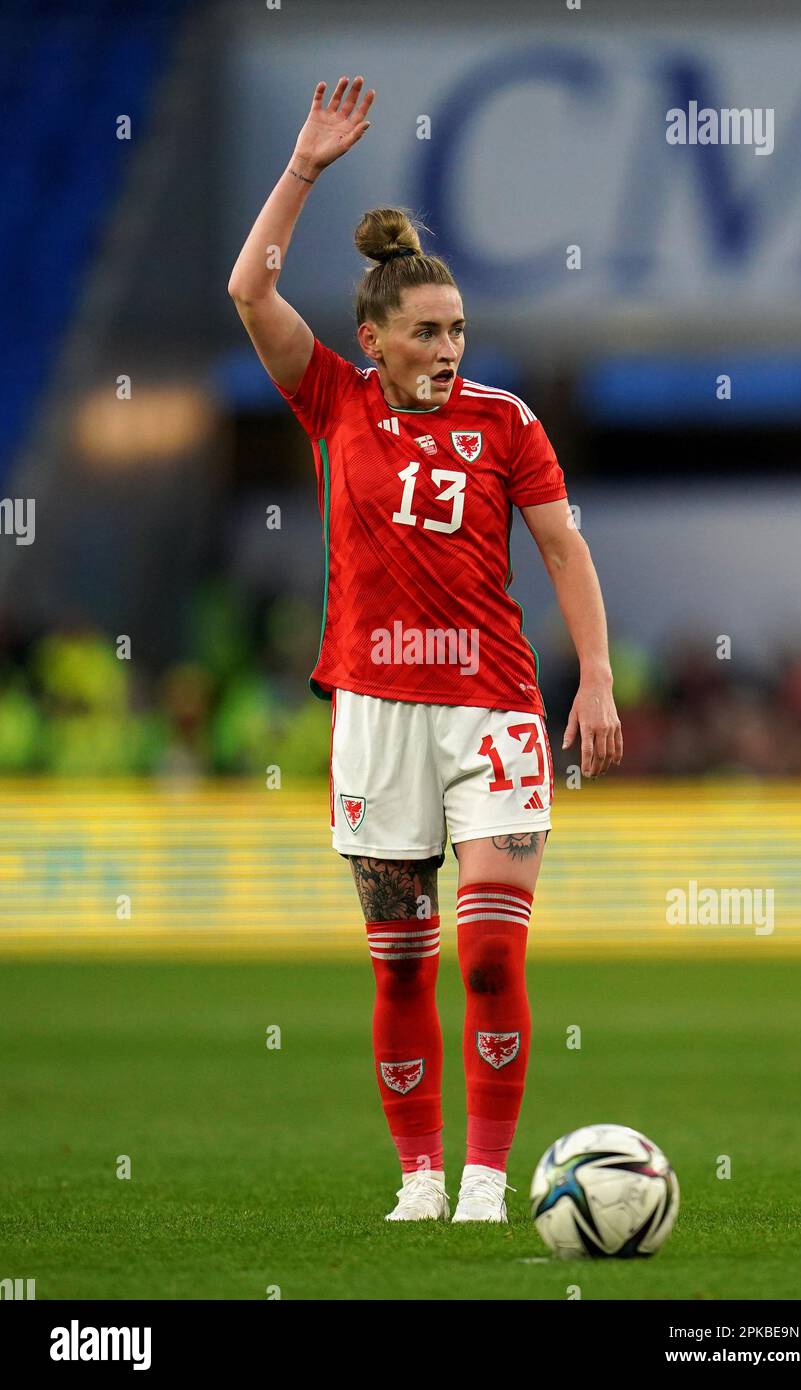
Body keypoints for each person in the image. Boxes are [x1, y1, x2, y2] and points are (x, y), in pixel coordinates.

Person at [228, 76, 622, 1224]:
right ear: (374, 340)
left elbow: (562, 550)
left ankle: (491, 1181)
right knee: (400, 964)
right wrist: (303, 168)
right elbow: (249, 287)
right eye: (427, 330)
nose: (449, 347)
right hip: (373, 711)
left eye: (459, 329)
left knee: (490, 959)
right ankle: (417, 1178)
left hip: (492, 711)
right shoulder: (332, 401)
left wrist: (590, 677)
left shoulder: (507, 423)